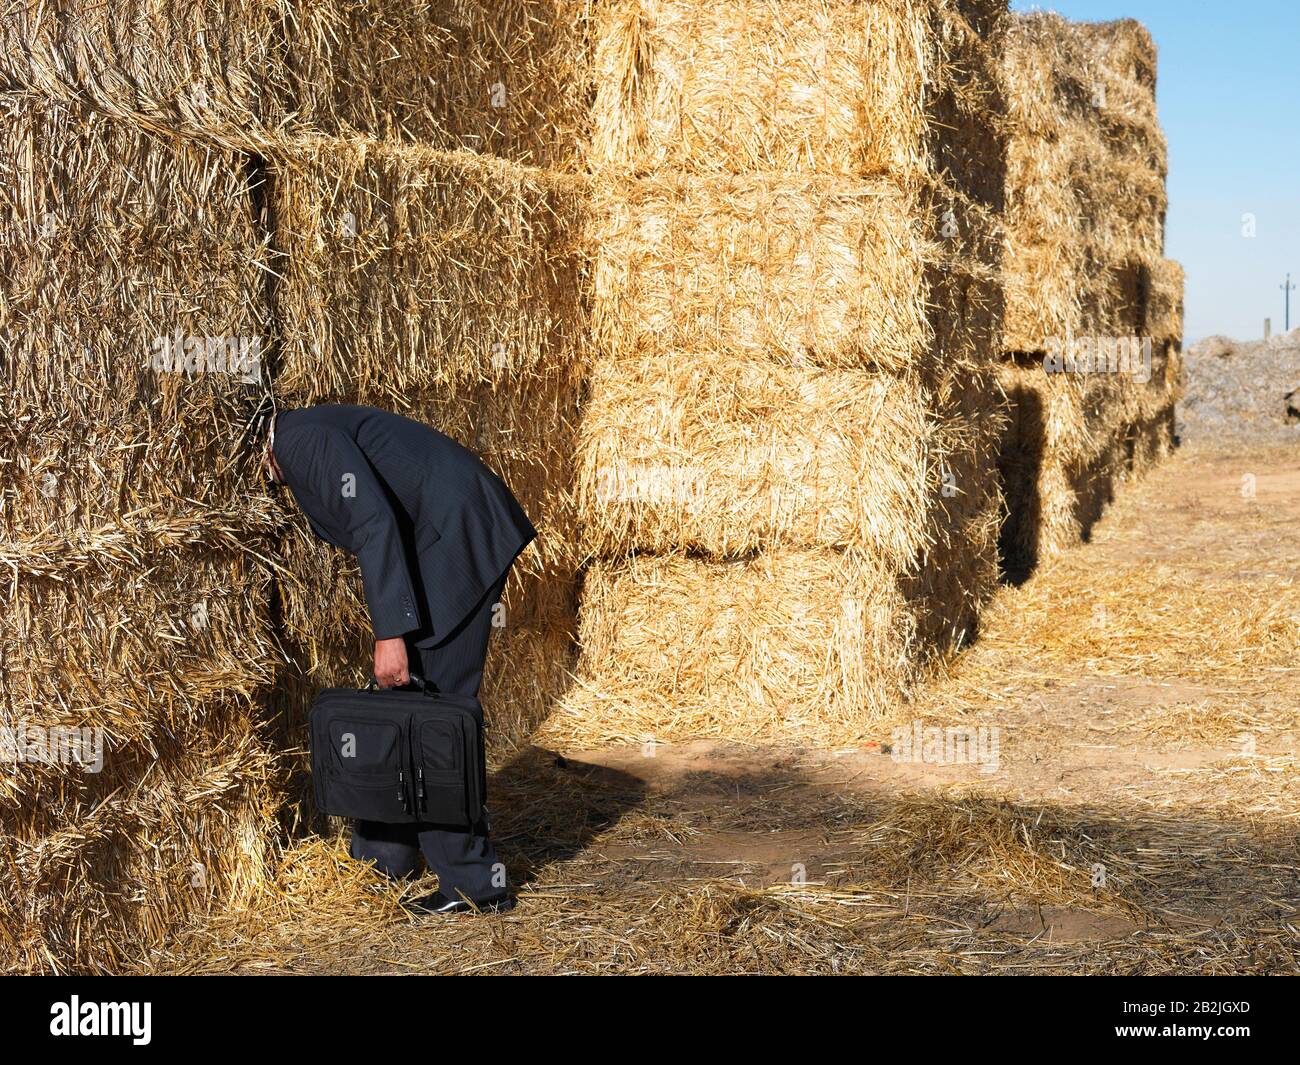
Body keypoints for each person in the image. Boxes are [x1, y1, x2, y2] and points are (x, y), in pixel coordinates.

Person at [264, 403, 535, 913]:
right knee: (405, 707)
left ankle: (474, 887)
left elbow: (373, 519)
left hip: (459, 536)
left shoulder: (299, 441)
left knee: (433, 717)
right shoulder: (305, 435)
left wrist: (391, 633)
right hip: (443, 537)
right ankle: (384, 860)